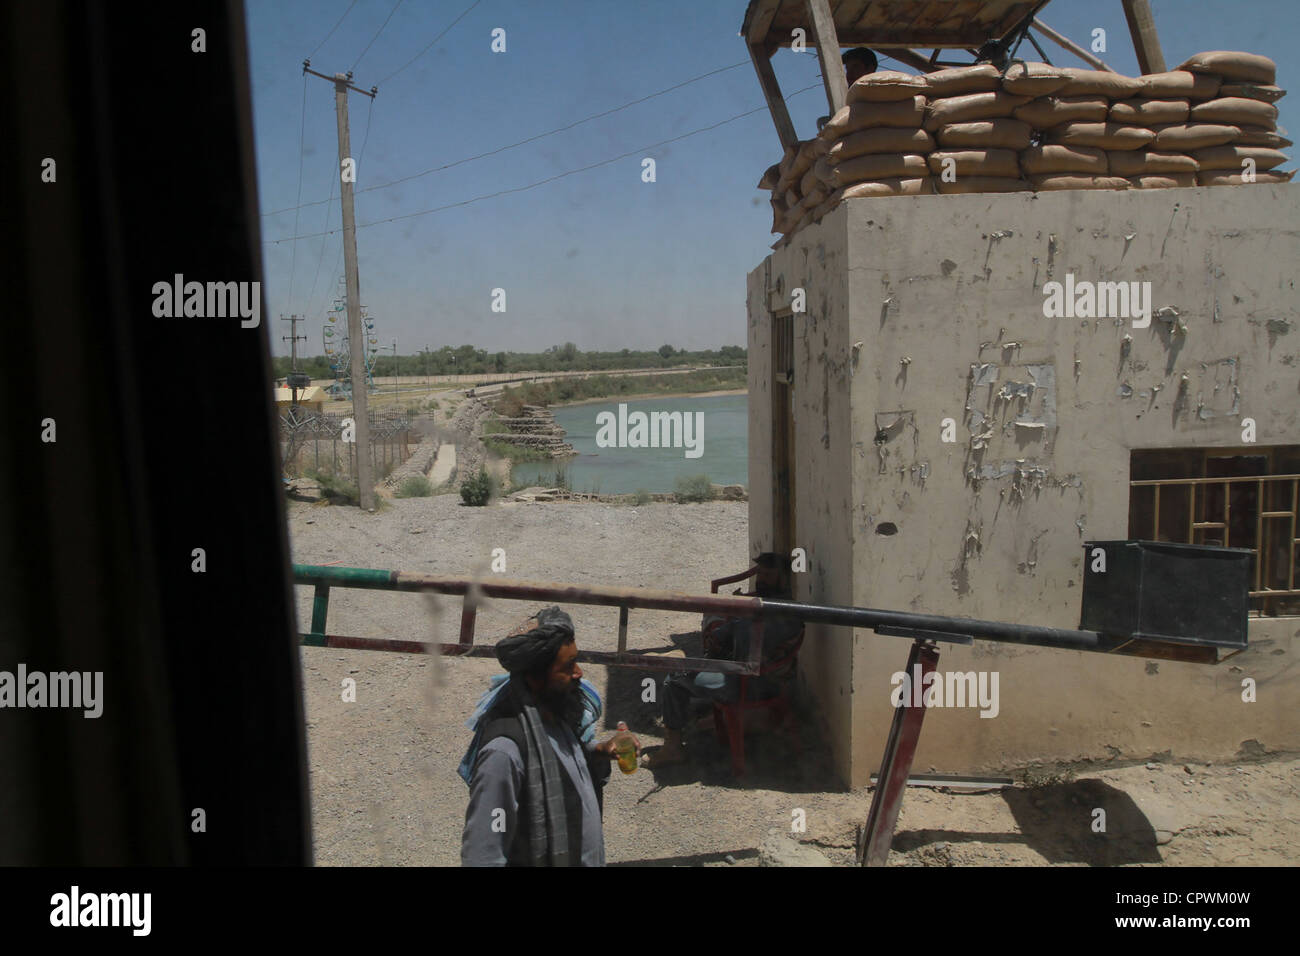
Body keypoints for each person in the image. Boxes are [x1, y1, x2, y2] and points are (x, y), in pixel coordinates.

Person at [460, 606, 639, 866]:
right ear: (535, 678)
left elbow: (560, 768)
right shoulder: (504, 753)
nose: (579, 673)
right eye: (567, 666)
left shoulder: (557, 717)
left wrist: (600, 751)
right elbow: (483, 856)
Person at [644, 553, 803, 767]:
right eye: (760, 574)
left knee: (674, 679)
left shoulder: (778, 613)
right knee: (694, 664)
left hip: (750, 685)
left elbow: (740, 640)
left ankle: (673, 748)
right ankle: (705, 717)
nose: (761, 579)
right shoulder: (775, 606)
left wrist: (729, 624)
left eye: (768, 575)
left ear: (783, 579)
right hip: (754, 678)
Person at [817, 47, 880, 131]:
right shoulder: (844, 97)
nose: (849, 73)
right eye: (847, 68)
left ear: (870, 69)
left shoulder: (880, 95)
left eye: (855, 67)